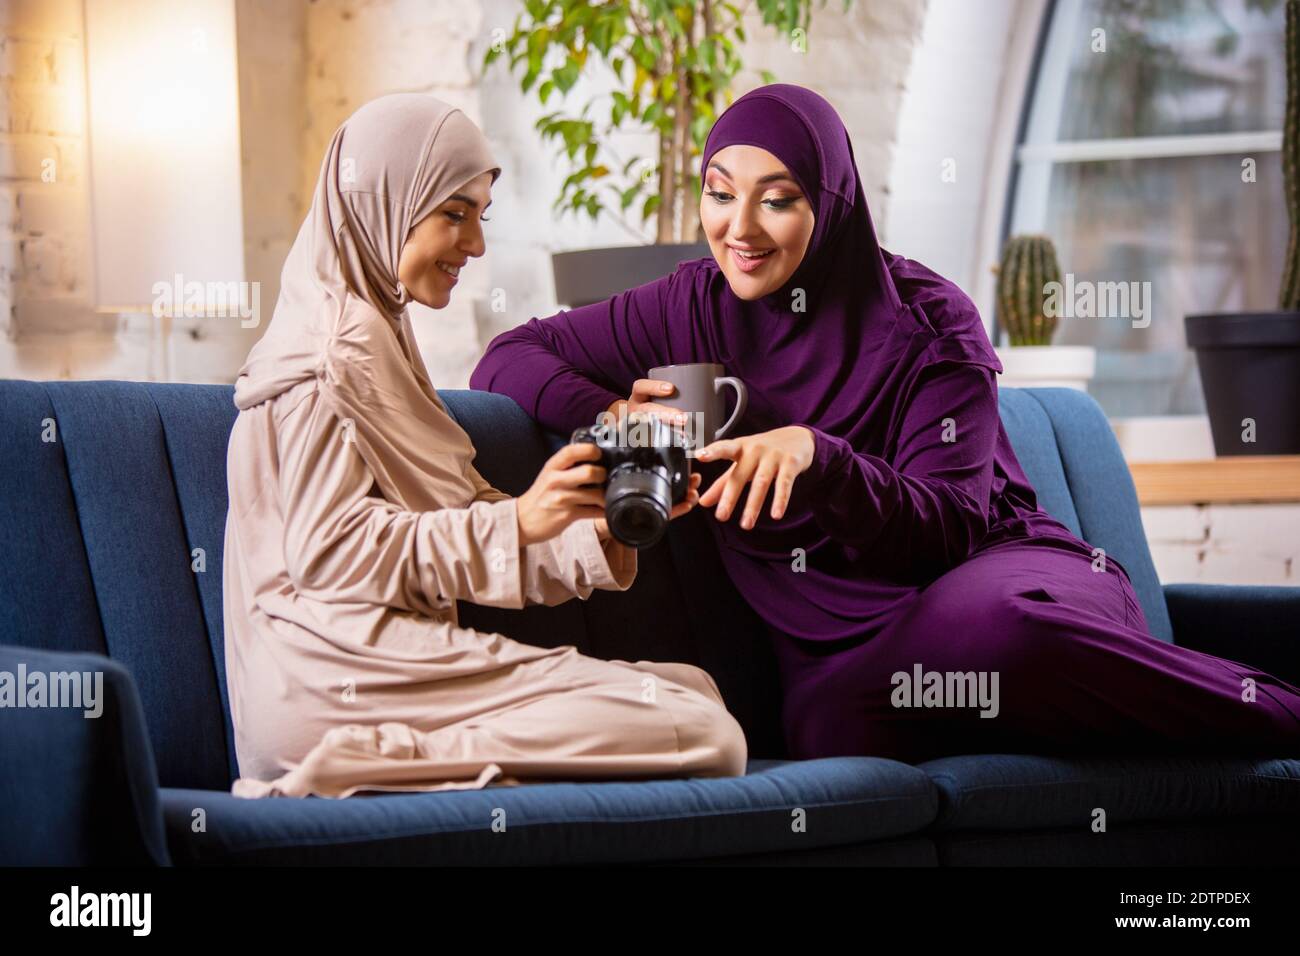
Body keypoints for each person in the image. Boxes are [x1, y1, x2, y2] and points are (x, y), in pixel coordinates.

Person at [471, 83, 1300, 763]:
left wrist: (820, 461)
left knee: (1003, 636)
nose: (740, 229)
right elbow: (509, 354)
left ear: (830, 203)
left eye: (778, 200)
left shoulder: (931, 321)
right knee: (834, 730)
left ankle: (1278, 718)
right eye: (720, 195)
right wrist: (610, 413)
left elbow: (944, 529)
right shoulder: (692, 304)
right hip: (841, 653)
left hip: (990, 579)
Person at [223, 93, 745, 799]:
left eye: (479, 216)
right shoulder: (328, 357)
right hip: (333, 677)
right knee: (706, 732)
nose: (474, 245)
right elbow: (332, 558)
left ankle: (402, 757)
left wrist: (596, 520)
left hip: (384, 661)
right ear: (384, 203)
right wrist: (519, 520)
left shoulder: (374, 334)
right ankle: (359, 764)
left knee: (695, 692)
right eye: (454, 214)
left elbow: (455, 528)